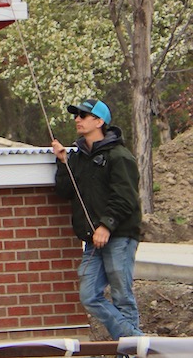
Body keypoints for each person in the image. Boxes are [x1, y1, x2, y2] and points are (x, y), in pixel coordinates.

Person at [50, 97, 142, 341]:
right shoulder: (78, 157)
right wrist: (62, 162)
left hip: (119, 236)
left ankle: (131, 350)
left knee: (122, 295)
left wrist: (106, 226)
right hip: (93, 240)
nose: (77, 120)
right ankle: (135, 340)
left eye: (83, 115)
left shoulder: (120, 156)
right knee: (89, 296)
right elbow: (64, 192)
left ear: (99, 121)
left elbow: (126, 197)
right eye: (76, 115)